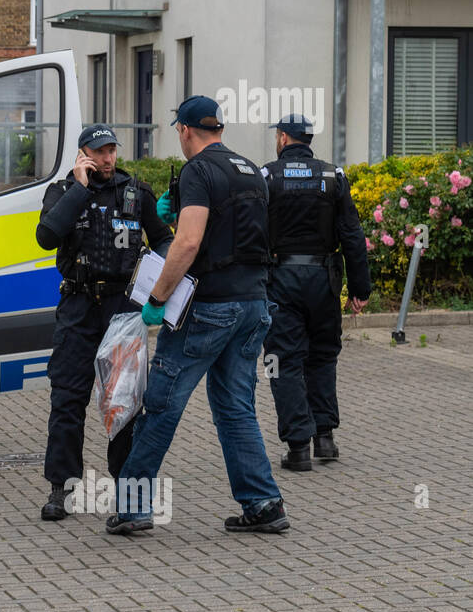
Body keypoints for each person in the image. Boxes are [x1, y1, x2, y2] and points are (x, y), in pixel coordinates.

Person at [107, 95, 288, 535]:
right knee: (235, 406)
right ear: (219, 129)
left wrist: (156, 298)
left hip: (208, 310)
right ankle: (263, 504)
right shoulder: (251, 171)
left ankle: (133, 508)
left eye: (178, 132)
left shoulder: (198, 171)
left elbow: (188, 243)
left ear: (186, 131)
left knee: (161, 404)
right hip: (253, 306)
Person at [34, 125, 173, 521]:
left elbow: (163, 239)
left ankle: (127, 491)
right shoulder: (63, 193)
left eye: (113, 150)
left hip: (122, 308)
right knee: (67, 397)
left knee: (124, 402)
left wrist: (154, 278)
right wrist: (79, 188)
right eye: (100, 151)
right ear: (84, 155)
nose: (109, 159)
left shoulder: (136, 192)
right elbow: (46, 236)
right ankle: (62, 487)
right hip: (77, 306)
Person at [262, 113, 371, 470]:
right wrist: (360, 287)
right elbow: (352, 236)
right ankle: (324, 438)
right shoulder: (332, 176)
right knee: (322, 356)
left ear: (282, 139)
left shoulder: (268, 177)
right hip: (324, 280)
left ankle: (298, 448)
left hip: (282, 280)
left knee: (284, 360)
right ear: (308, 141)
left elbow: (253, 232)